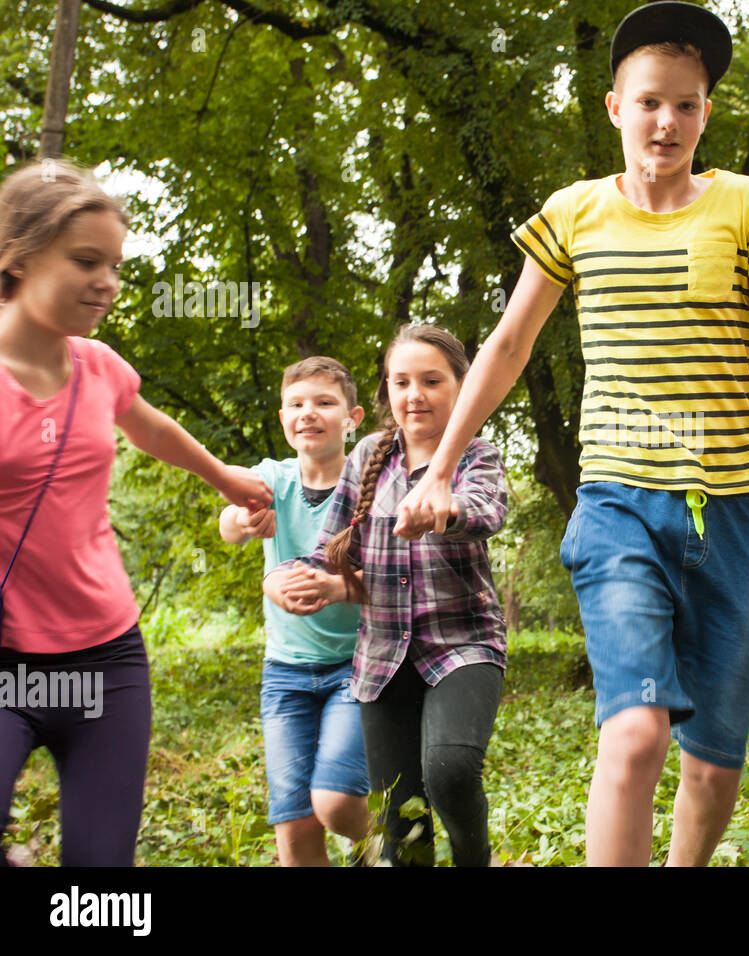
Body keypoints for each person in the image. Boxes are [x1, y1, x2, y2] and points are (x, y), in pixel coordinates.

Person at [386, 2, 749, 866]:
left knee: (715, 769)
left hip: (728, 517)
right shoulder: (575, 214)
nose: (667, 121)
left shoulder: (748, 204)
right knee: (638, 731)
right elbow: (506, 345)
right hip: (617, 509)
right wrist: (441, 468)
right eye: (649, 102)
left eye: (686, 105)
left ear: (706, 113)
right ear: (615, 107)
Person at [0, 158, 270, 866]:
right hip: (6, 661)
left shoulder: (97, 367)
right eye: (85, 260)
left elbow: (149, 427)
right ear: (18, 258)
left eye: (114, 265)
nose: (107, 282)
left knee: (100, 885)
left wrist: (224, 478)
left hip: (105, 660)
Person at [263, 324, 507, 867]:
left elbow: (487, 511)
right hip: (381, 658)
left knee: (450, 771)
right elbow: (333, 549)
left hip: (462, 643)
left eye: (430, 381)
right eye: (401, 382)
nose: (413, 394)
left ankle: (476, 858)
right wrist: (284, 576)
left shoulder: (476, 456)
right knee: (400, 817)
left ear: (461, 387)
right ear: (388, 391)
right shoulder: (370, 455)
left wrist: (444, 508)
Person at [218, 356, 369, 866]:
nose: (309, 413)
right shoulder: (272, 478)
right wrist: (243, 518)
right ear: (283, 418)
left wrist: (335, 586)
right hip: (285, 674)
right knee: (295, 819)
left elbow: (402, 577)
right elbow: (228, 523)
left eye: (325, 403)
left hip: (358, 667)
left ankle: (382, 843)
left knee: (337, 800)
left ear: (353, 418)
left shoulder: (369, 488)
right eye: (297, 404)